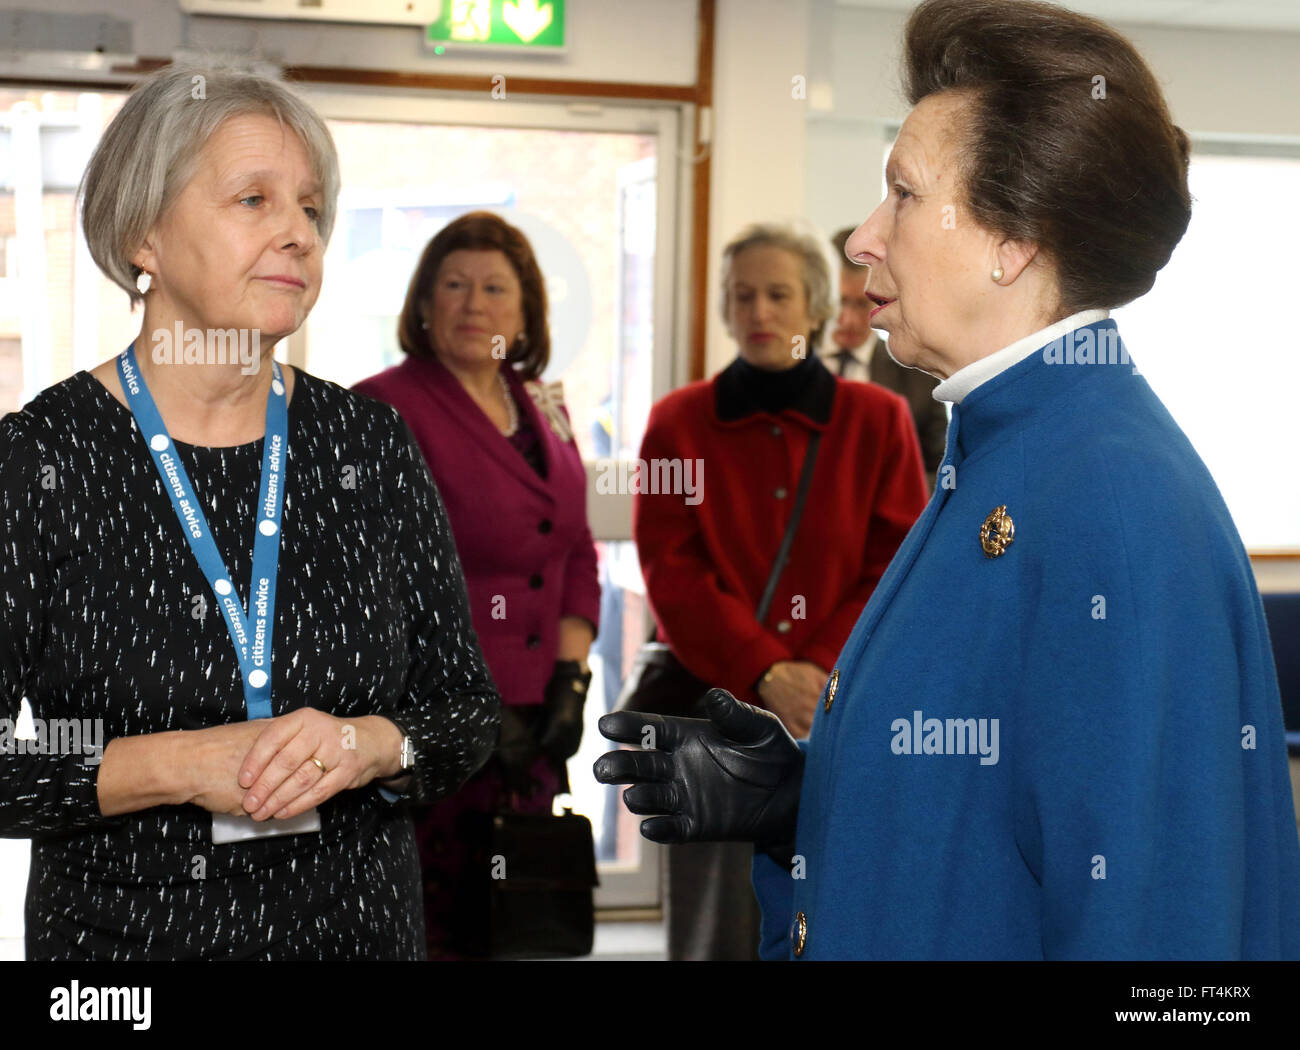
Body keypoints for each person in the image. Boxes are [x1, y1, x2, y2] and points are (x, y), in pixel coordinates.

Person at [597, 0, 1300, 960]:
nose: (862, 240)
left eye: (904, 195)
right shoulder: (1010, 447)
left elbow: (1155, 924)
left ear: (1014, 239)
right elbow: (997, 798)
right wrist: (808, 796)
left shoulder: (1116, 500)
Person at [0, 64, 500, 961]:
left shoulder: (367, 445)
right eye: (253, 199)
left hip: (359, 934)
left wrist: (372, 742)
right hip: (124, 953)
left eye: (310, 208)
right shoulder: (42, 460)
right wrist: (179, 767)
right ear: (143, 233)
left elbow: (462, 713)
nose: (298, 235)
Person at [630, 222, 928, 959]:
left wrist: (817, 673)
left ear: (817, 309)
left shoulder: (880, 419)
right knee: (713, 928)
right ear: (726, 312)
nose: (759, 312)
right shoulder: (676, 422)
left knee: (842, 908)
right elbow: (672, 570)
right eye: (742, 296)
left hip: (842, 711)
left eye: (778, 294)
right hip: (713, 713)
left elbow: (894, 565)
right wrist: (764, 670)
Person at [353, 211, 600, 958]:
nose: (473, 304)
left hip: (533, 726)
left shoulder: (543, 404)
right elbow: (370, 576)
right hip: (432, 720)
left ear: (525, 311)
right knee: (436, 921)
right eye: (453, 285)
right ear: (422, 304)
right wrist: (470, 695)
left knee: (516, 920)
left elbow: (576, 546)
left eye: (496, 288)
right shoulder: (380, 405)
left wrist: (572, 676)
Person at [826, 226, 948, 483]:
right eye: (839, 303)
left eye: (860, 304)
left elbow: (939, 472)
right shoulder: (793, 364)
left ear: (878, 298)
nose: (847, 320)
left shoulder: (917, 374)